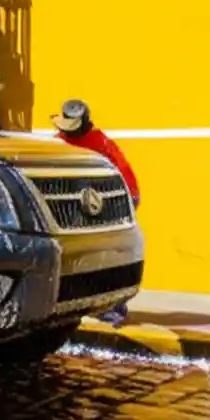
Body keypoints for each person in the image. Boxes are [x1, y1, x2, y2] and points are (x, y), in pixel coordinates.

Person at [51, 98, 140, 327]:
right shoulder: (61, 141)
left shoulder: (99, 143)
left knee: (109, 253)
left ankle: (113, 307)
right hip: (82, 204)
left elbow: (121, 175)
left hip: (112, 201)